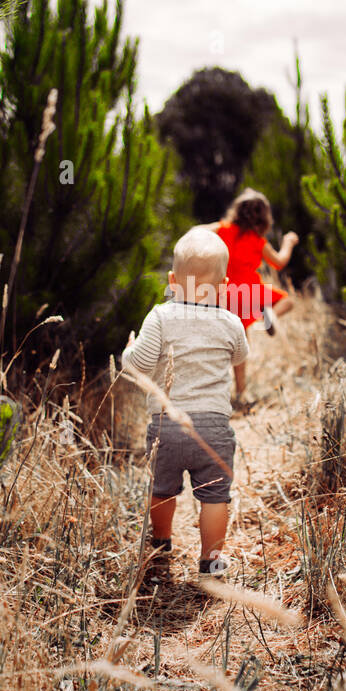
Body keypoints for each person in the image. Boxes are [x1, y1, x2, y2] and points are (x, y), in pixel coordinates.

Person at [121, 227, 249, 583]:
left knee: (162, 489)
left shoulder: (160, 316)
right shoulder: (230, 321)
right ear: (223, 286)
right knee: (215, 497)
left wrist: (129, 349)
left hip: (167, 427)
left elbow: (137, 366)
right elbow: (241, 354)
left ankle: (161, 544)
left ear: (172, 280)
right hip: (214, 431)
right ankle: (211, 562)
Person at [200, 187, 298, 397]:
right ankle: (271, 315)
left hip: (224, 293)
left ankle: (234, 391)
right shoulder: (258, 241)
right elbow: (279, 263)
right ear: (264, 218)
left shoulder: (222, 229)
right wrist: (288, 242)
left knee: (234, 342)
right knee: (288, 301)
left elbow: (196, 231)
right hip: (250, 291)